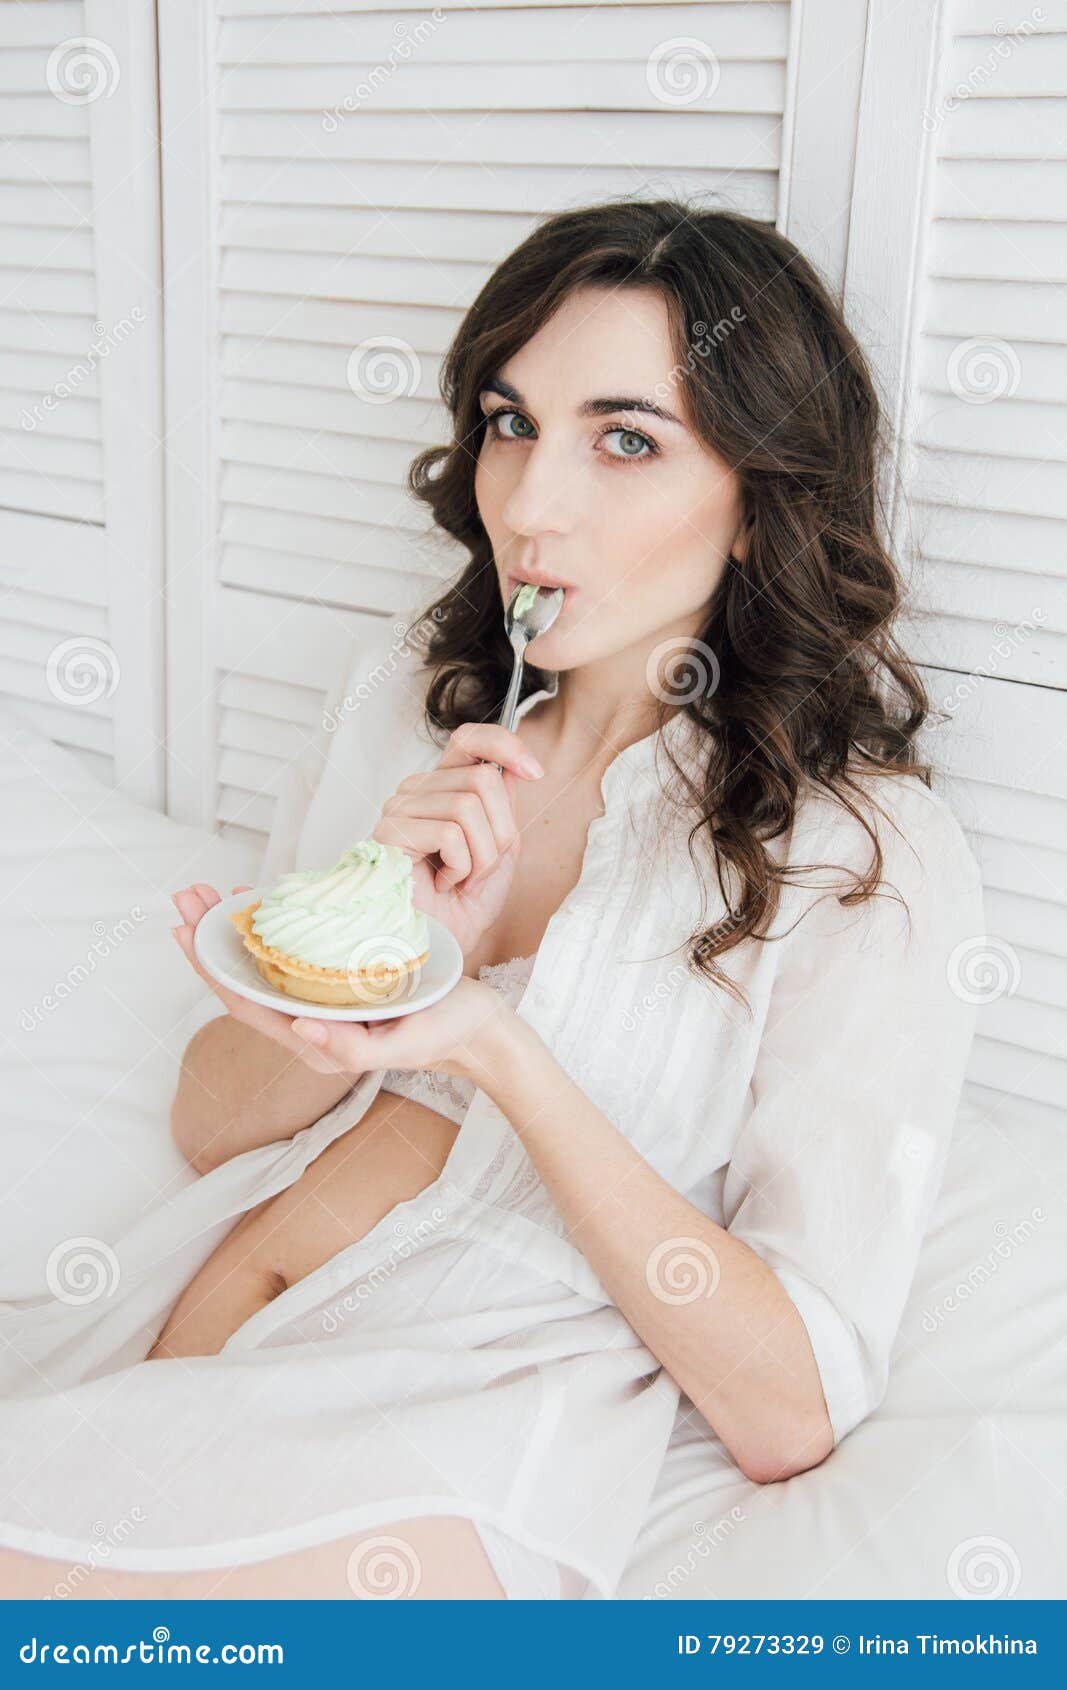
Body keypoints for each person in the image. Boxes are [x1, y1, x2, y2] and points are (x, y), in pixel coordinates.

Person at [0, 200, 984, 1599]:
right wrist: (369, 953)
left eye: (626, 439)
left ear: (762, 504)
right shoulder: (411, 709)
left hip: (433, 1460)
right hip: (170, 1350)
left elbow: (791, 1407)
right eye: (511, 422)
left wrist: (491, 1043)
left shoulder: (859, 857)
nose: (531, 501)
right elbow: (209, 1122)